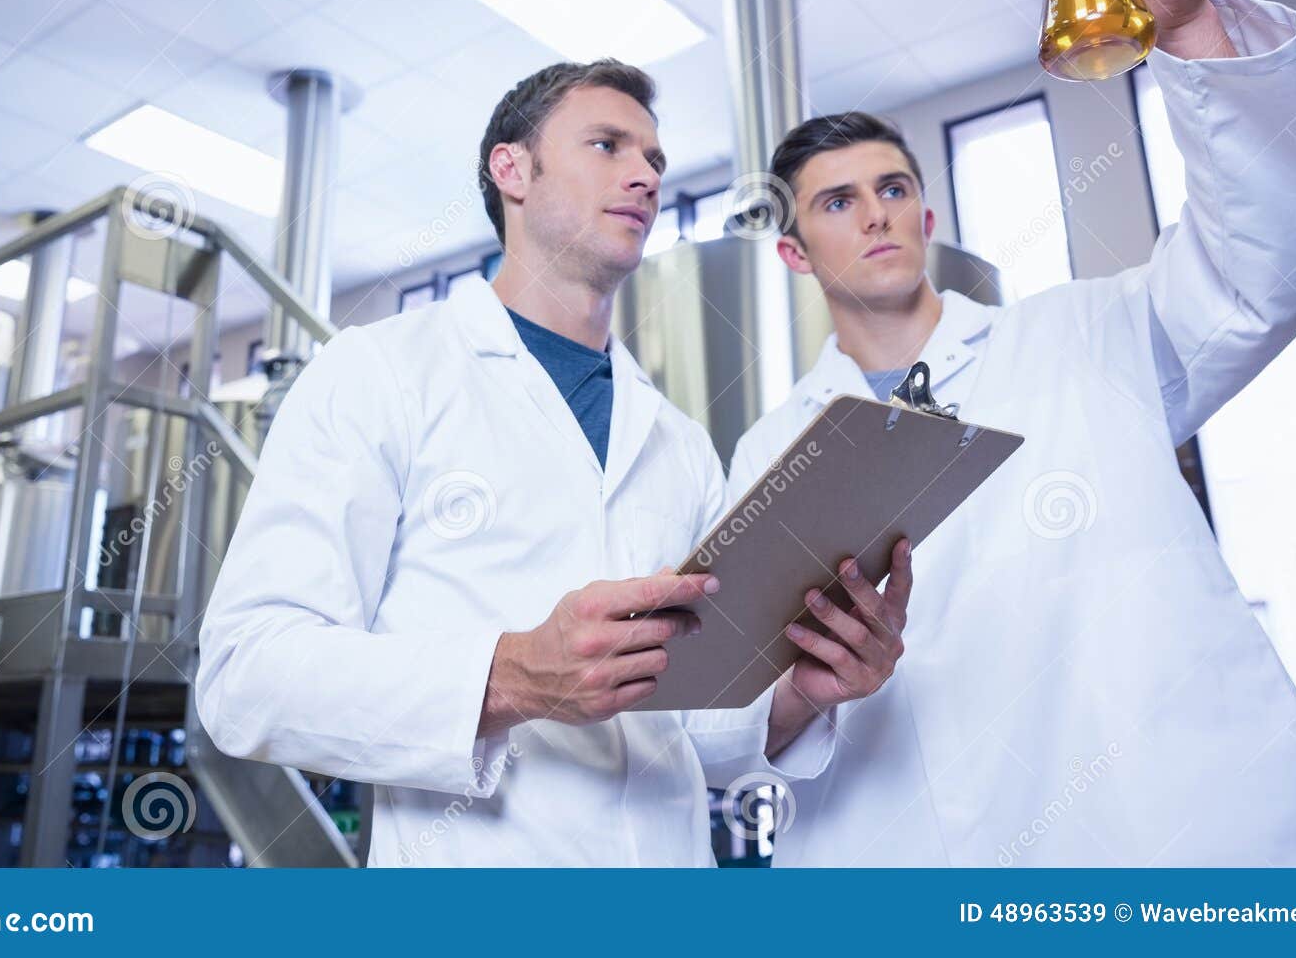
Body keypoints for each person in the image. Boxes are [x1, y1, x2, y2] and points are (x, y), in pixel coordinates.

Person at [726, 0, 1296, 866]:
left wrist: (1188, 27)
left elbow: (1278, 268)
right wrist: (804, 692)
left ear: (927, 216)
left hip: (1155, 839)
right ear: (792, 252)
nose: (876, 214)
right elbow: (731, 711)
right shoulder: (770, 449)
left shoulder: (1089, 335)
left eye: (894, 188)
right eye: (837, 201)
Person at [196, 60, 911, 866]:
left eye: (654, 160)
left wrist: (805, 692)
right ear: (512, 169)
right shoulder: (380, 372)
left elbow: (697, 727)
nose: (645, 176)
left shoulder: (676, 441)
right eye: (607, 145)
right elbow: (244, 675)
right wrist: (510, 676)